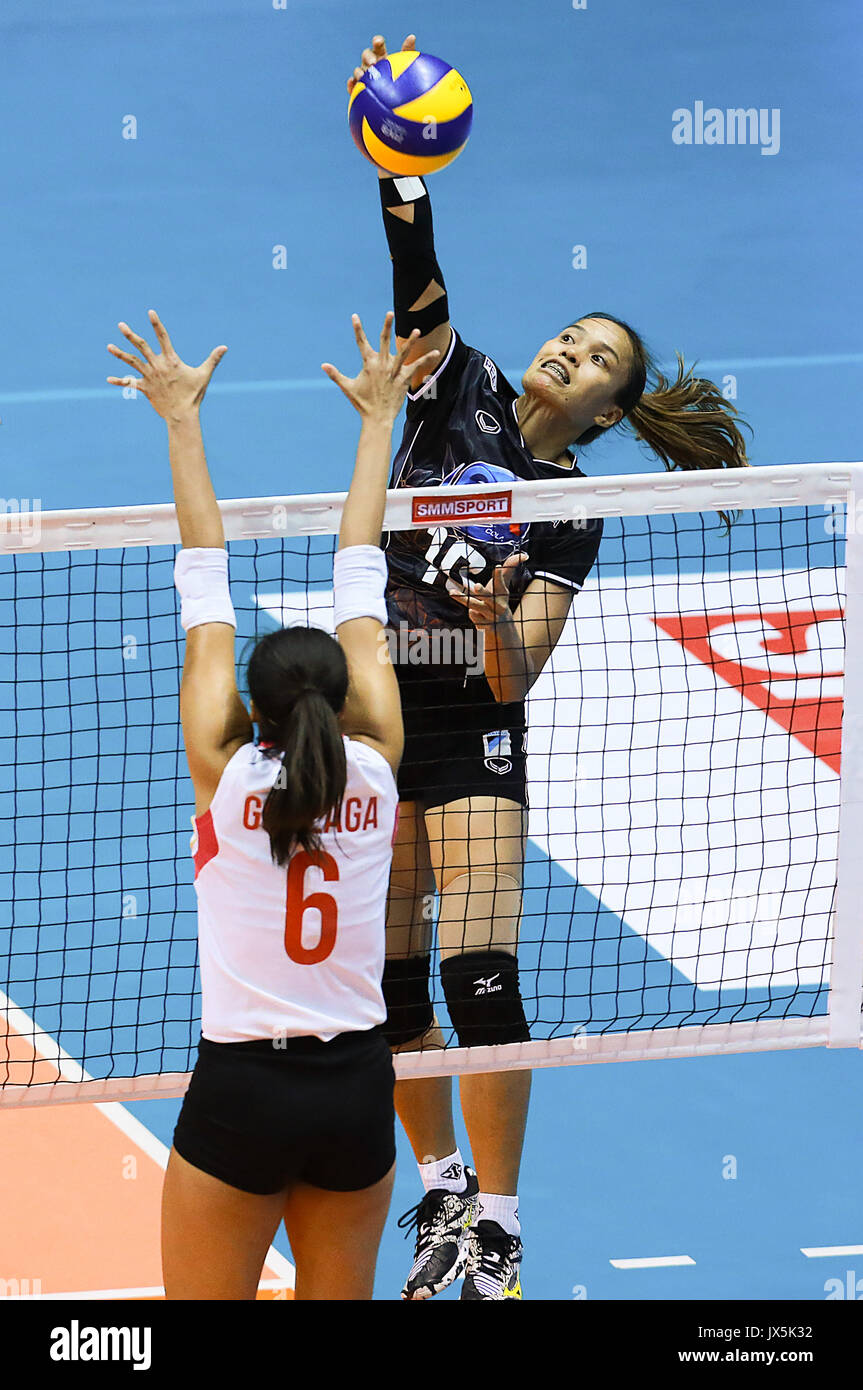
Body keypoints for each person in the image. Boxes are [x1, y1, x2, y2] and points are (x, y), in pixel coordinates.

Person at [348, 34, 751, 1301]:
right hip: (374, 701)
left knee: (478, 976)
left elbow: (520, 671)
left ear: (604, 414)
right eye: (570, 338)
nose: (568, 355)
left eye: (595, 365)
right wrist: (393, 154)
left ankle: (504, 1225)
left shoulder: (570, 508)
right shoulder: (449, 386)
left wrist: (489, 604)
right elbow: (415, 274)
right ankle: (441, 1194)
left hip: (469, 719)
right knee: (386, 977)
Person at [106, 307, 438, 1300]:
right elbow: (362, 585)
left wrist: (179, 419)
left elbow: (203, 584)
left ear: (252, 704)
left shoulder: (224, 770)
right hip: (355, 1092)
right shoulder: (376, 765)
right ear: (344, 699)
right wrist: (381, 418)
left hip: (243, 1091)